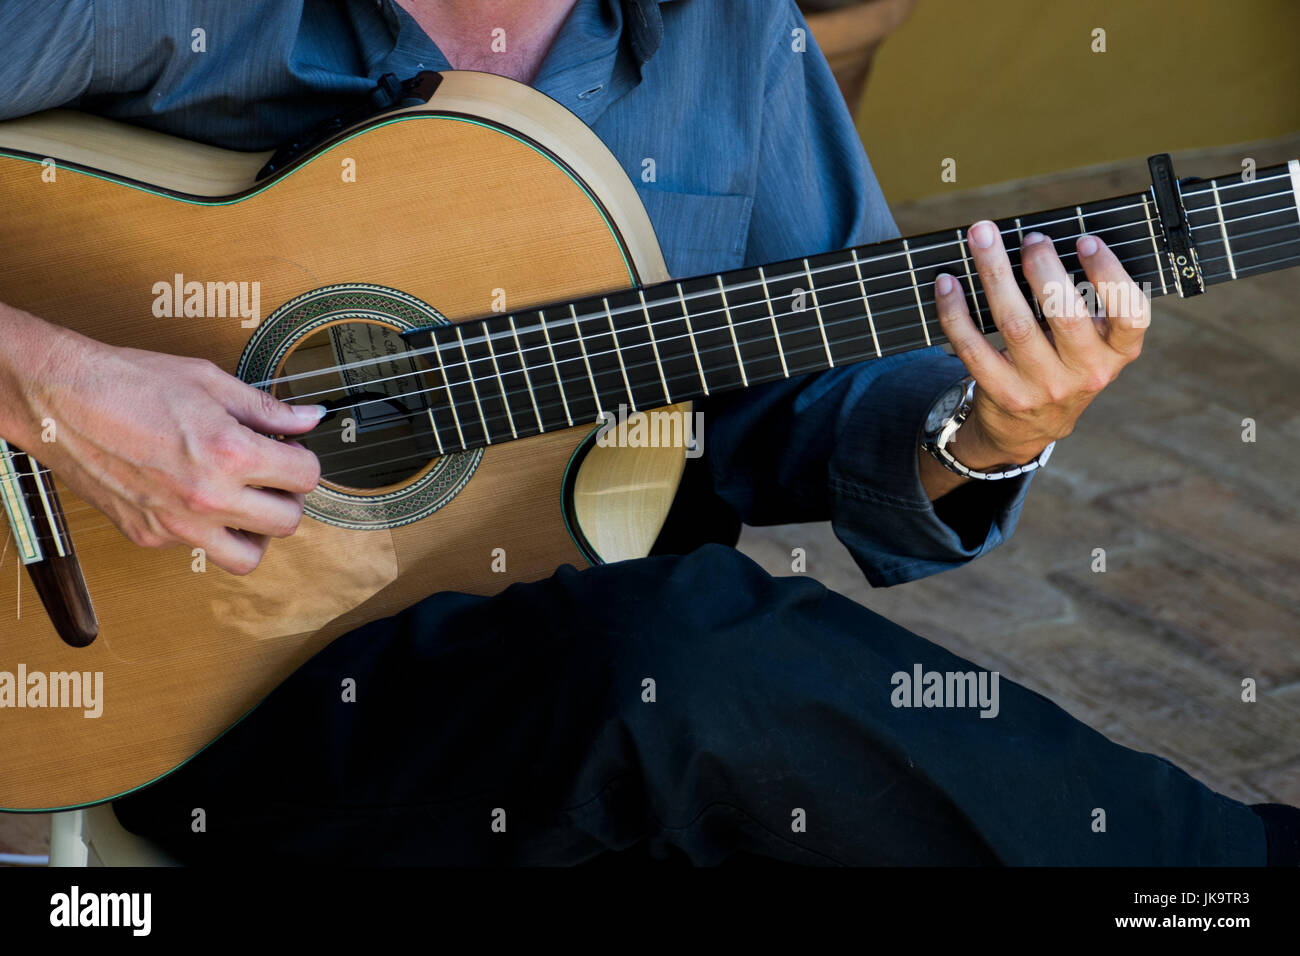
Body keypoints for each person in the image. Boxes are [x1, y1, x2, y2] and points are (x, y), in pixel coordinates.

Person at [0, 0, 1294, 865]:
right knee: (676, 669)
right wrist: (57, 388)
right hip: (215, 704)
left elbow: (808, 405)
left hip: (554, 687)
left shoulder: (725, 33)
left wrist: (987, 428)